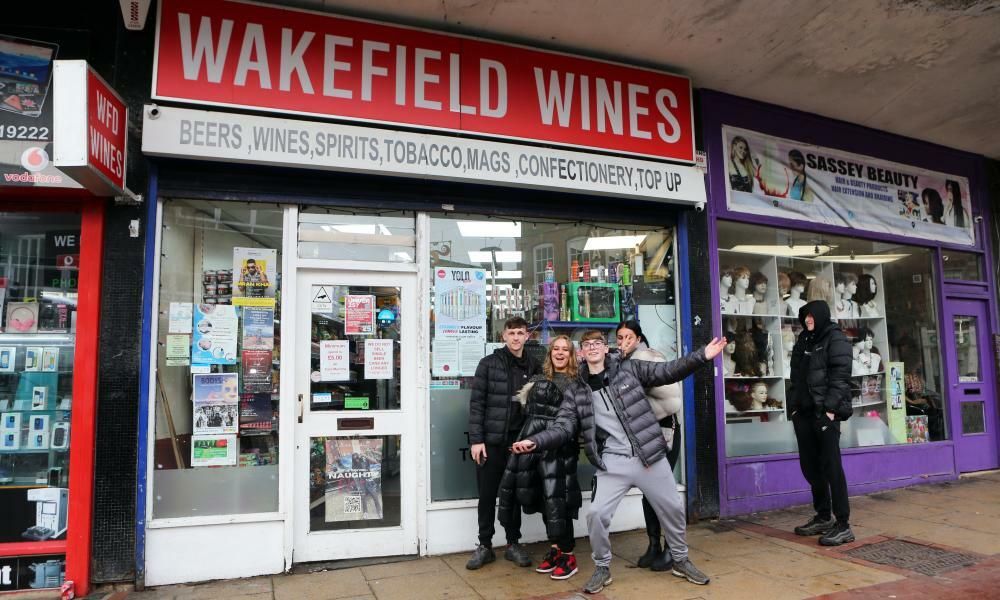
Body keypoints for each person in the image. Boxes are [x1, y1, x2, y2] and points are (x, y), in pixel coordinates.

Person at [513, 330, 726, 593]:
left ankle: (680, 560)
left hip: (649, 455)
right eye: (587, 344)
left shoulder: (629, 369)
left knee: (672, 509)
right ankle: (602, 568)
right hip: (614, 460)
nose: (592, 348)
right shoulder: (576, 390)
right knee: (597, 514)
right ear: (581, 353)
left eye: (597, 343)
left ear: (606, 349)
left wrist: (702, 356)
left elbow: (668, 371)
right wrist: (537, 441)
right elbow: (563, 426)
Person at [498, 336, 582, 580]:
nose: (559, 353)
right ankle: (556, 549)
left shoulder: (575, 383)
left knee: (559, 502)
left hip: (559, 449)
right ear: (550, 352)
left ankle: (568, 555)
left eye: (565, 350)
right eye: (556, 348)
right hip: (533, 447)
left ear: (571, 355)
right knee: (545, 500)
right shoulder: (539, 378)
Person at [466, 317, 542, 570]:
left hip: (519, 443)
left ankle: (512, 544)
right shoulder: (488, 364)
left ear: (527, 337)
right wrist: (477, 440)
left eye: (521, 333)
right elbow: (477, 404)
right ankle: (484, 545)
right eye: (512, 333)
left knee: (513, 497)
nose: (516, 337)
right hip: (491, 441)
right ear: (504, 336)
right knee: (487, 496)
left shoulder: (534, 366)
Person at [615, 321, 682, 572]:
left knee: (662, 493)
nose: (623, 341)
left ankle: (671, 549)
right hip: (642, 435)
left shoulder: (649, 358)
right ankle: (654, 544)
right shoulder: (622, 363)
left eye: (628, 337)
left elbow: (672, 401)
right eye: (619, 337)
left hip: (664, 432)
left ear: (638, 338)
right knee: (648, 492)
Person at [788, 300, 855, 546]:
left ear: (821, 316)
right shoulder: (804, 340)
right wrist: (794, 408)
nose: (807, 320)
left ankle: (843, 524)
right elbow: (796, 375)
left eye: (811, 316)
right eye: (805, 317)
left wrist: (828, 411)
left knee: (831, 468)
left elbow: (841, 377)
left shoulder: (834, 339)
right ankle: (823, 516)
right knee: (810, 468)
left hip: (824, 414)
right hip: (804, 414)